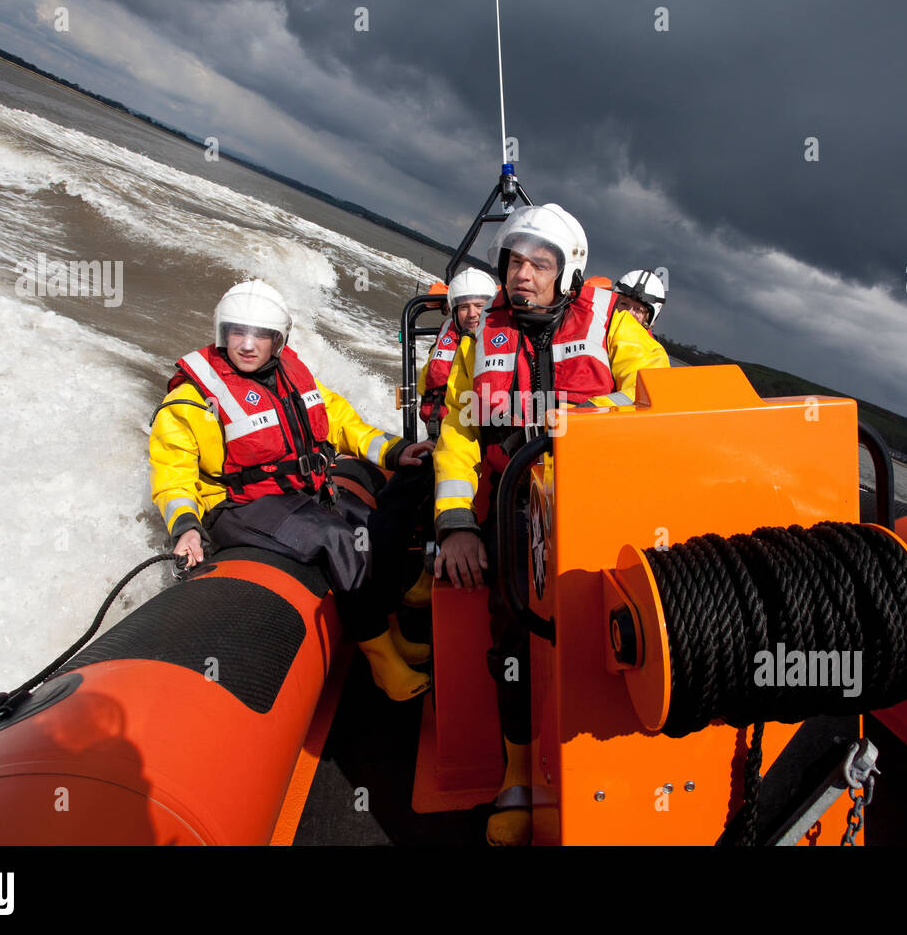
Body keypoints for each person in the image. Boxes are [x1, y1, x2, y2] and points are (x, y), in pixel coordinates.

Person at [430, 205, 669, 844]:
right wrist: (455, 522)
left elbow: (655, 390)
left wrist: (574, 415)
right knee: (510, 637)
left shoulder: (612, 321)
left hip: (596, 502)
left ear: (568, 273)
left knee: (606, 634)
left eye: (540, 263)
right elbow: (458, 430)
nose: (523, 275)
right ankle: (517, 777)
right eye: (514, 261)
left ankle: (612, 763)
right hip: (513, 506)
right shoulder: (482, 338)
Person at [149, 279, 435, 701]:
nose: (247, 345)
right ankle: (383, 664)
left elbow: (339, 423)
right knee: (337, 537)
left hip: (296, 495)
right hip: (236, 507)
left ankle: (389, 630)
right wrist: (186, 527)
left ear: (277, 341)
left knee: (368, 528)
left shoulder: (293, 379)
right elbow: (172, 476)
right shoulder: (190, 402)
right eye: (237, 332)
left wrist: (395, 452)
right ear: (221, 333)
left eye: (260, 335)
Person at [418, 268, 499, 441]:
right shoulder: (448, 336)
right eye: (464, 307)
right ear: (454, 311)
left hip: (486, 437)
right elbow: (423, 386)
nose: (472, 314)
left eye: (479, 306)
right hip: (441, 433)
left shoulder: (504, 342)